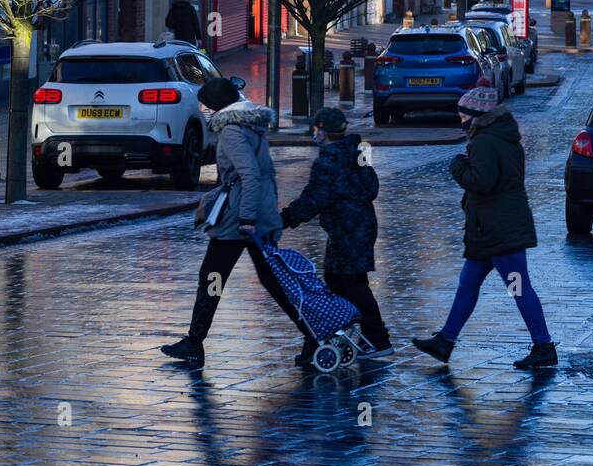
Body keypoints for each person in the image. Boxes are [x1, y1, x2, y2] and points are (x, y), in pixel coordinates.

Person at [412, 85, 557, 371]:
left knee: (519, 287)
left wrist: (458, 167)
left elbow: (482, 181)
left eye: (462, 114)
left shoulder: (485, 142)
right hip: (490, 228)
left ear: (475, 116)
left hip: (500, 230)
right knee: (468, 284)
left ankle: (544, 346)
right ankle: (445, 341)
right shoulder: (504, 136)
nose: (460, 120)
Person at [161, 77, 301, 368]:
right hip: (256, 211)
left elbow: (248, 175)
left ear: (216, 104)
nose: (203, 108)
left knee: (212, 275)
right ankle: (313, 334)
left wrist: (246, 219)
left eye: (205, 103)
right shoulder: (250, 124)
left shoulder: (231, 131)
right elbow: (263, 173)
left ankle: (194, 342)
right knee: (273, 280)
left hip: (239, 218)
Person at [281, 106, 393, 361]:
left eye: (316, 129)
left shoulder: (328, 160)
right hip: (360, 226)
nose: (314, 133)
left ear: (323, 132)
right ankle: (330, 339)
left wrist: (284, 219)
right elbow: (372, 187)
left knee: (353, 285)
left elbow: (314, 198)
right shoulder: (358, 151)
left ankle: (377, 339)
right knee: (338, 283)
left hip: (347, 230)